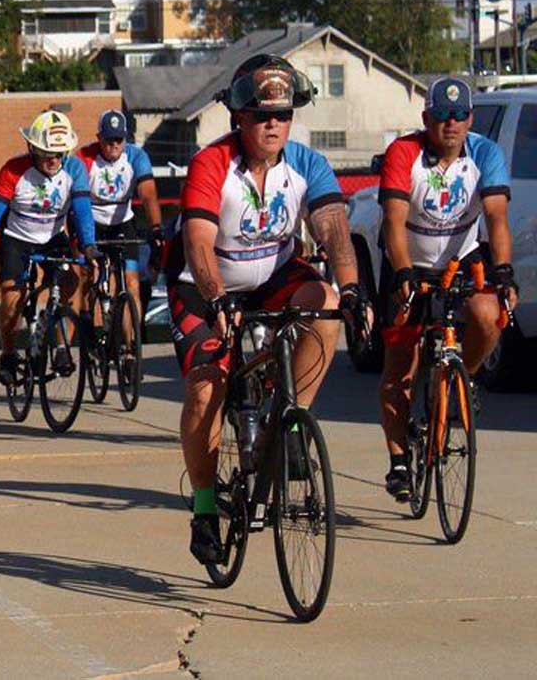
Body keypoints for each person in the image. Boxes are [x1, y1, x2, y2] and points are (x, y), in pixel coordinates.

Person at [163, 54, 370, 565]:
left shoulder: (306, 164)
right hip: (206, 284)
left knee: (323, 301)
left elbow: (333, 231)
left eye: (282, 113)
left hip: (275, 276)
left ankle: (290, 418)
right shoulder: (213, 164)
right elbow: (198, 242)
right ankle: (206, 510)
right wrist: (215, 299)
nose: (272, 123)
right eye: (260, 114)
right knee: (207, 388)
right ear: (239, 117)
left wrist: (352, 291)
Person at [376, 77, 516, 501]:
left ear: (470, 119)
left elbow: (496, 218)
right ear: (427, 119)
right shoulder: (406, 153)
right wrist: (403, 274)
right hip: (409, 259)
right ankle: (400, 460)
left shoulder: (485, 153)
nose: (450, 124)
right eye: (441, 116)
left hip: (462, 257)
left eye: (458, 116)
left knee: (492, 317)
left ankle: (461, 380)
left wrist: (505, 270)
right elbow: (394, 222)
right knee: (400, 365)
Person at [0, 110, 99, 385]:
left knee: (72, 283)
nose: (53, 159)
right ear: (32, 148)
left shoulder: (75, 169)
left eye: (59, 153)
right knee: (12, 298)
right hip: (17, 238)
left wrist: (88, 245)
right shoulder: (14, 170)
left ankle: (62, 347)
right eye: (46, 153)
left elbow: (83, 209)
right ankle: (8, 353)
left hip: (53, 237)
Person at [76, 109, 164, 348]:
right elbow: (78, 199)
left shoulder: (137, 156)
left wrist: (156, 228)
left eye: (119, 140)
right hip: (90, 221)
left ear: (126, 139)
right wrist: (83, 238)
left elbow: (148, 194)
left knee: (132, 284)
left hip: (123, 221)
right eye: (108, 140)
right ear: (99, 137)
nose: (113, 145)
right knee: (89, 277)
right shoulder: (84, 157)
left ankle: (130, 347)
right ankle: (86, 320)